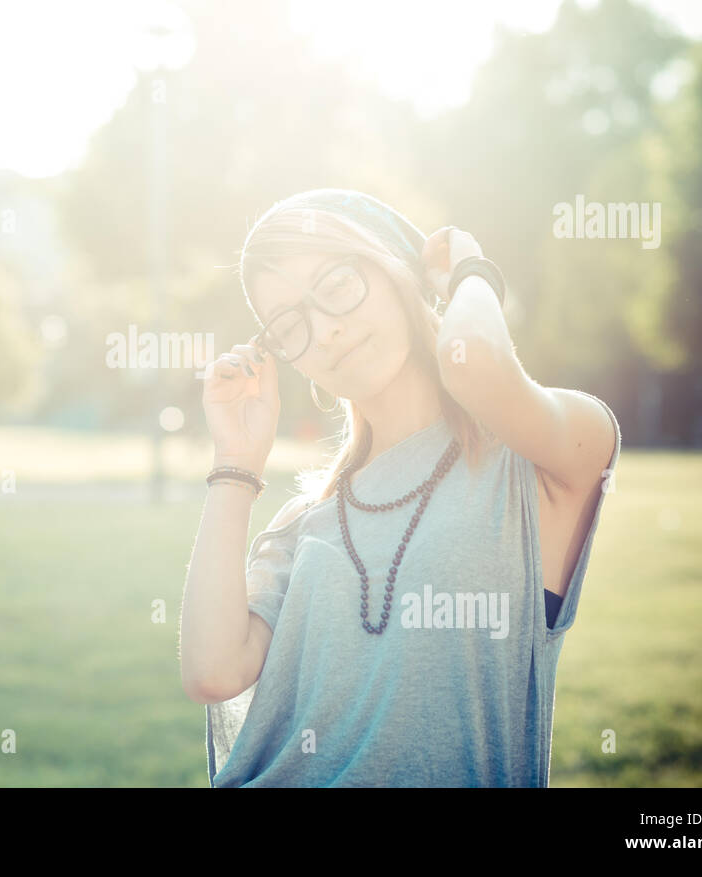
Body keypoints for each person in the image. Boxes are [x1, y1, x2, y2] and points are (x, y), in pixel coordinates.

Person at [179, 188, 620, 787]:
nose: (325, 331)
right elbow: (211, 672)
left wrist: (469, 271)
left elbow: (472, 363)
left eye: (335, 287)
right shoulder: (303, 523)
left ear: (396, 270)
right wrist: (235, 461)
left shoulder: (540, 460)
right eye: (290, 324)